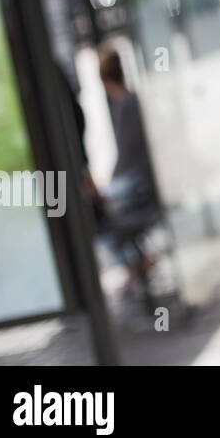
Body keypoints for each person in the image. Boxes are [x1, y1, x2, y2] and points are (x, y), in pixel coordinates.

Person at [97, 48, 160, 292]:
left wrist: (108, 183)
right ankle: (137, 261)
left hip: (139, 181)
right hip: (139, 177)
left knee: (103, 215)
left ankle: (135, 264)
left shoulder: (127, 105)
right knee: (106, 210)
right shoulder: (128, 103)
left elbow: (127, 154)